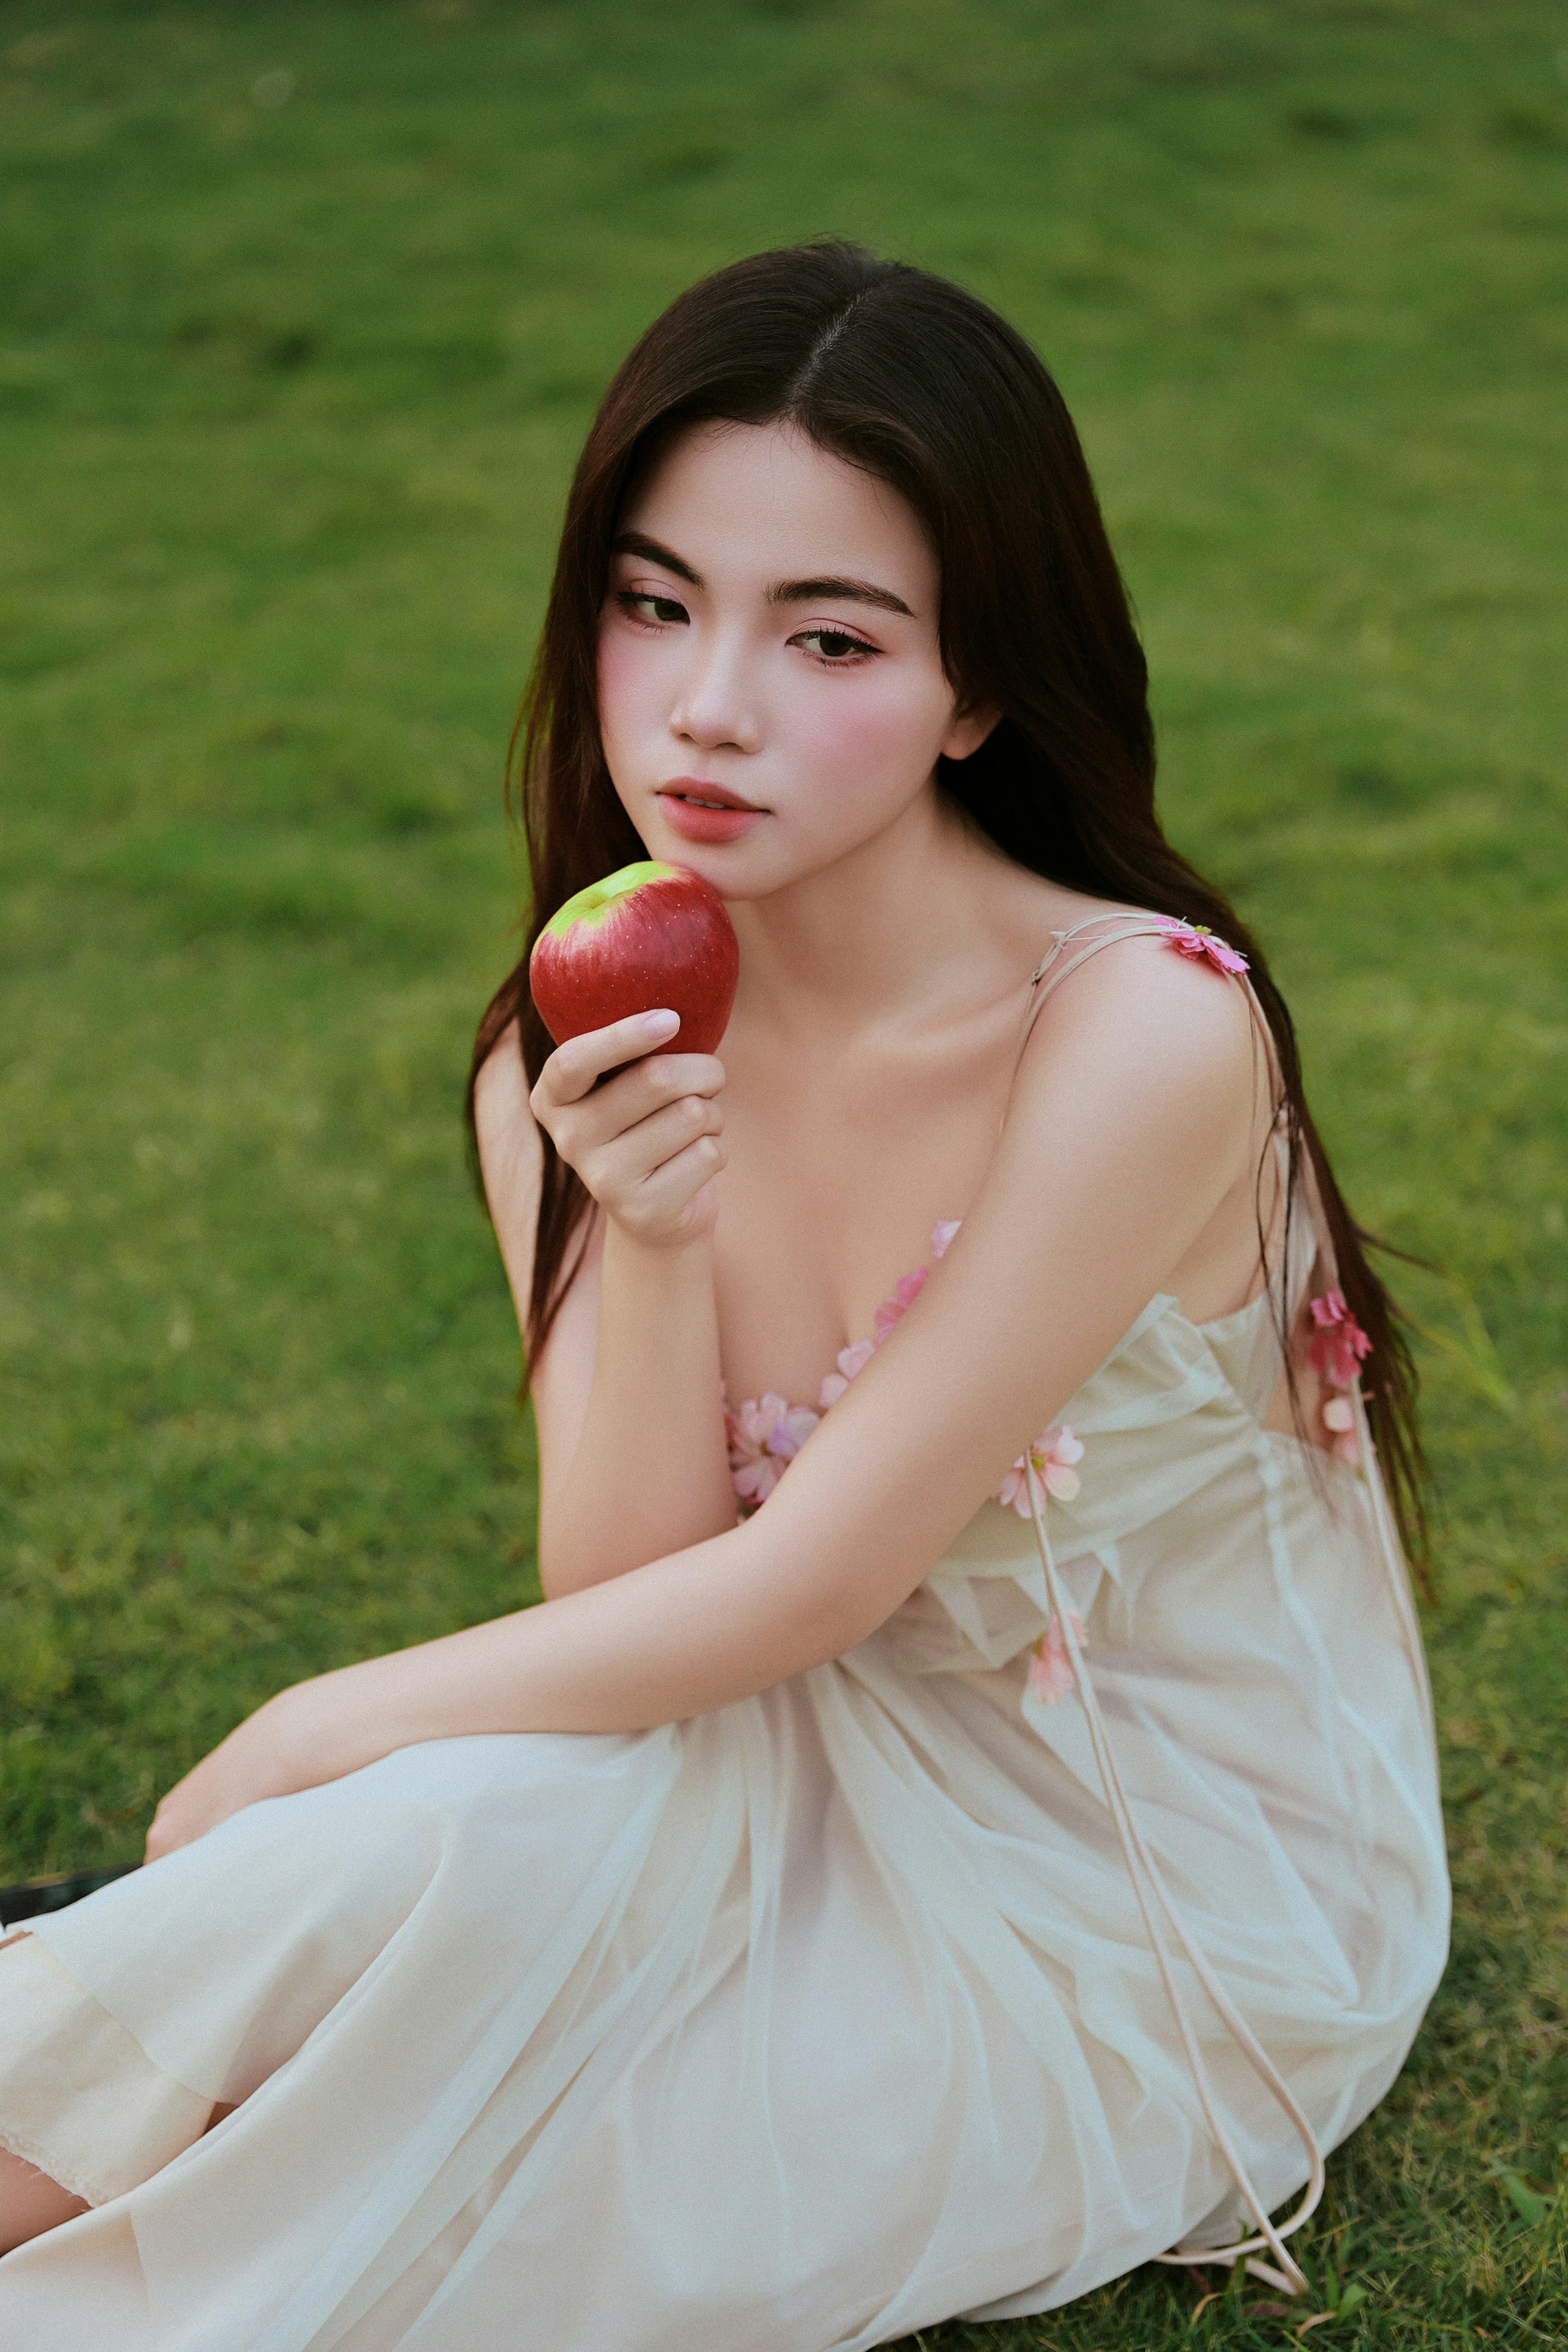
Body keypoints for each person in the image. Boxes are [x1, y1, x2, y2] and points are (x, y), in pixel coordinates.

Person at [0, 242, 1447, 2350]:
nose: (706, 706)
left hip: (1146, 1892)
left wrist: (309, 1726)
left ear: (978, 691)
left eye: (829, 636)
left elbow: (804, 1590)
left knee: (446, 2091)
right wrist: (657, 1235)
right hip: (759, 1744)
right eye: (656, 602)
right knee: (465, 1835)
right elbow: (630, 1606)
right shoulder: (567, 1056)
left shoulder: (1141, 1034)